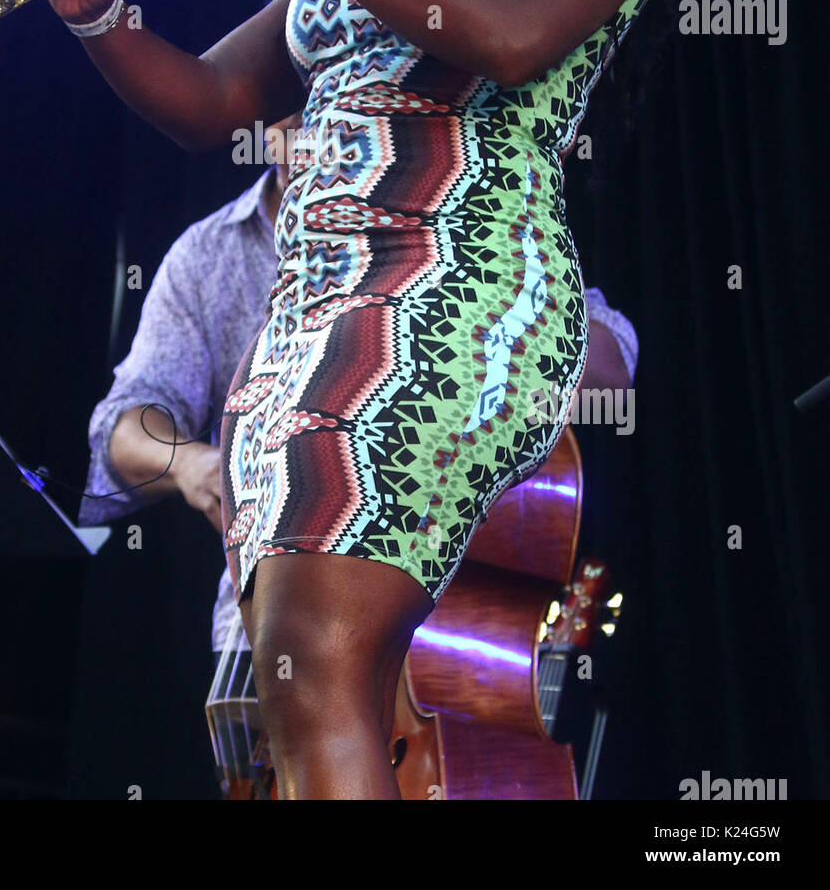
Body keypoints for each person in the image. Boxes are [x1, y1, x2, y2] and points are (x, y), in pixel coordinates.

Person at [35, 0, 697, 798]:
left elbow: (508, 38)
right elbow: (207, 102)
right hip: (315, 312)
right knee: (297, 680)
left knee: (315, 662)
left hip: (450, 288)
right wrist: (95, 12)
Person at [76, 113, 638, 674]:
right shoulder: (208, 256)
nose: (329, 128)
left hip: (456, 645)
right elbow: (120, 432)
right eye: (303, 110)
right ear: (267, 126)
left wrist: (474, 276)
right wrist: (192, 463)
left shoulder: (443, 224)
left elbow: (608, 380)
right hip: (269, 632)